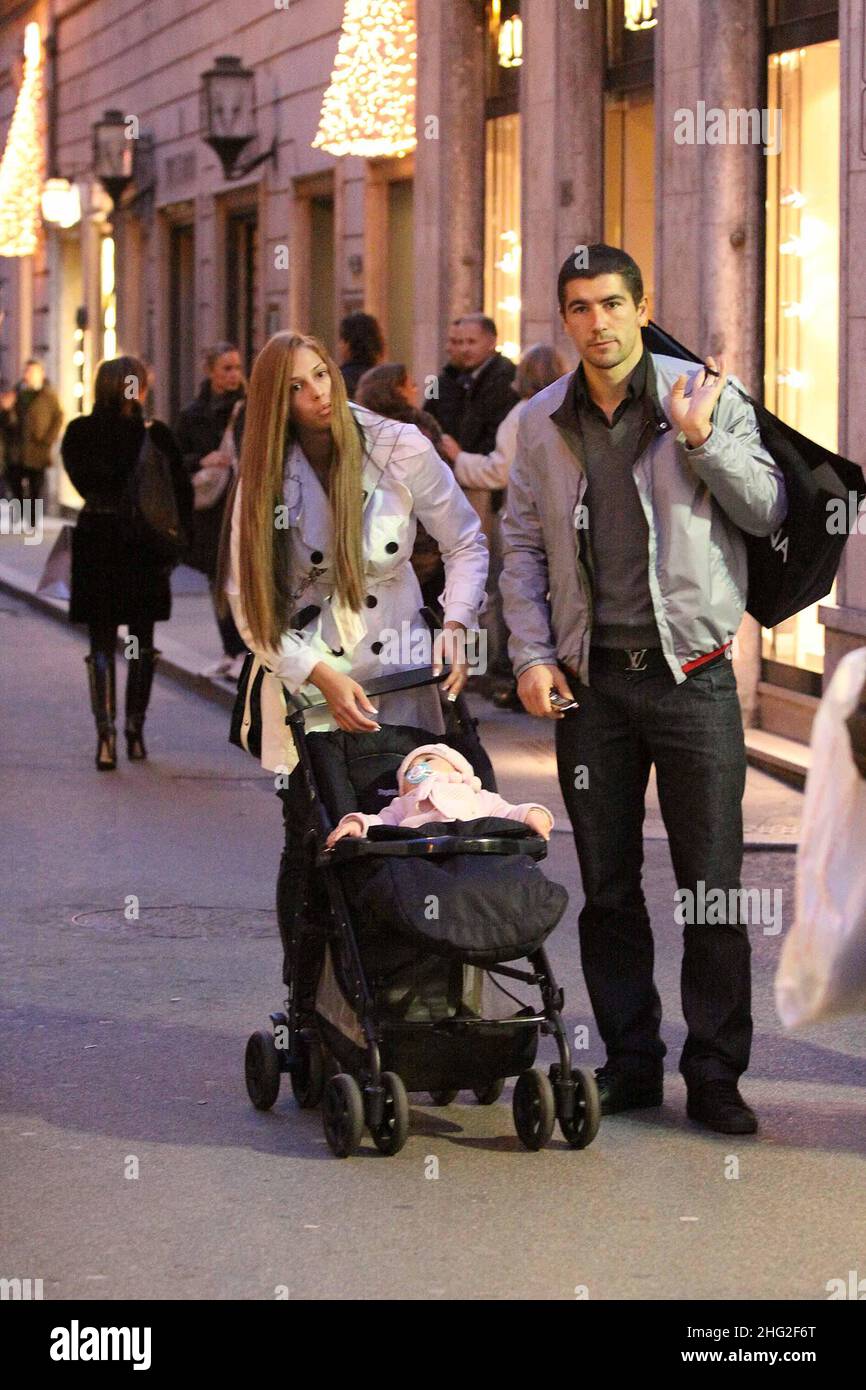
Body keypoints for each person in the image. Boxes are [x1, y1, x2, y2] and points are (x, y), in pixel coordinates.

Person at [501, 243, 787, 1135]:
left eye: (613, 304)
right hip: (595, 691)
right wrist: (532, 655)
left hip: (694, 682)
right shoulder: (542, 421)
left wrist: (702, 441)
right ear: (565, 319)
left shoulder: (701, 395)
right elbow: (519, 545)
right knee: (608, 887)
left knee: (712, 885)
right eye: (580, 307)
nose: (598, 323)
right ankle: (630, 1060)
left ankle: (714, 1073)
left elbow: (767, 507)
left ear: (639, 305)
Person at [224, 330, 488, 989]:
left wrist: (455, 623)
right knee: (313, 838)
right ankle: (310, 1001)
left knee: (416, 825)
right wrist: (317, 675)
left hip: (400, 667)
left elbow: (465, 542)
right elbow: (250, 602)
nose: (315, 394)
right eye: (293, 387)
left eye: (320, 375)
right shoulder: (265, 473)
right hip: (308, 674)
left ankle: (412, 989)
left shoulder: (398, 445)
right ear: (272, 404)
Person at [61, 355, 193, 770]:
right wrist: (177, 544)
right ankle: (136, 731)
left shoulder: (79, 433)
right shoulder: (156, 436)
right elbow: (181, 496)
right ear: (137, 388)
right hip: (142, 550)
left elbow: (81, 483)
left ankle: (106, 736)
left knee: (101, 641)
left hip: (99, 542)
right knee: (139, 641)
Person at [439, 343, 568, 701]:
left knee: (514, 587)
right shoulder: (567, 406)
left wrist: (458, 456)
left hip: (525, 514)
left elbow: (500, 470)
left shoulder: (524, 414)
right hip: (564, 513)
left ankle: (510, 674)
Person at [354, 361, 451, 614]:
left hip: (369, 541)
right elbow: (441, 483)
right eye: (410, 384)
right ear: (395, 390)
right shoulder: (419, 429)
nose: (417, 389)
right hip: (422, 540)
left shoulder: (357, 429)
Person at [175, 342, 247, 678]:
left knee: (242, 578)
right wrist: (200, 460)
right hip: (210, 511)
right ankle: (230, 649)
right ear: (210, 372)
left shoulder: (251, 408)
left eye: (237, 367)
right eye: (226, 369)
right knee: (217, 580)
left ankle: (246, 650)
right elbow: (175, 460)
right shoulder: (193, 413)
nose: (234, 375)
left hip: (243, 505)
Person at [326, 742, 553, 844]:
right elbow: (380, 822)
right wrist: (356, 823)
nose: (418, 768)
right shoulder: (404, 803)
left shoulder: (478, 797)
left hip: (473, 851)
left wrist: (532, 814)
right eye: (410, 769)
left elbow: (508, 812)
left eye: (428, 760)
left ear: (459, 770)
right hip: (419, 856)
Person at [0, 359, 63, 505]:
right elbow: (4, 423)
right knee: (15, 486)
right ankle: (20, 519)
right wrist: (6, 409)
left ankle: (33, 522)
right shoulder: (15, 394)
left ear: (41, 374)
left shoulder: (48, 396)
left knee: (36, 489)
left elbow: (58, 417)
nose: (29, 375)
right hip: (16, 450)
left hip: (38, 450)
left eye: (33, 372)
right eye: (27, 371)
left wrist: (48, 439)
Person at [425, 319, 467, 440]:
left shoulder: (490, 381)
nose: (447, 348)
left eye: (455, 342)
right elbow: (426, 419)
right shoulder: (436, 382)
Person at [338, 312, 385, 398]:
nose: (339, 346)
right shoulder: (385, 379)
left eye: (341, 340)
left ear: (347, 343)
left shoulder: (338, 379)